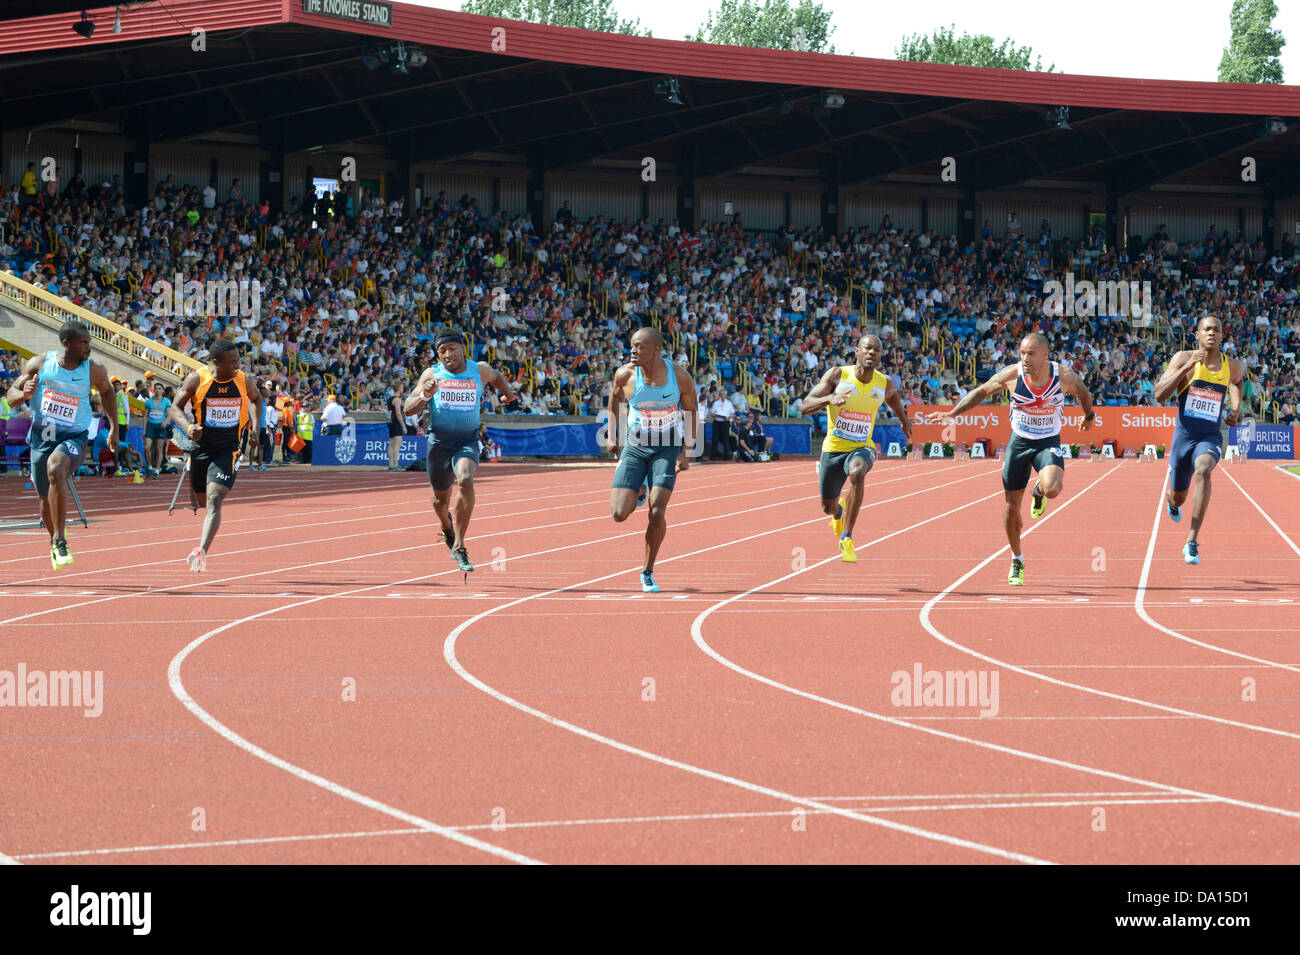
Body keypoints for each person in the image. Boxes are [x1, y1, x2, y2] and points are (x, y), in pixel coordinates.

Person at [933, 332, 1095, 586]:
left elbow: (1083, 393)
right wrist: (953, 413)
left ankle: (1038, 492)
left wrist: (1089, 416)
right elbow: (982, 391)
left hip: (1047, 441)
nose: (1025, 358)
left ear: (1045, 354)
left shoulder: (1062, 376)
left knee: (1053, 488)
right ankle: (1017, 558)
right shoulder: (1012, 375)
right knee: (1011, 509)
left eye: (1031, 353)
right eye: (1022, 353)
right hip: (1019, 442)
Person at [5, 321, 118, 569]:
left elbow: (108, 393)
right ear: (67, 343)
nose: (89, 347)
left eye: (89, 342)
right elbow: (11, 395)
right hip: (41, 438)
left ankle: (60, 539)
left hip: (73, 437)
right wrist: (24, 394)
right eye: (84, 342)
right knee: (45, 501)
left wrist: (114, 427)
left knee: (57, 468)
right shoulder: (40, 364)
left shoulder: (94, 370)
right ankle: (55, 542)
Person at [403, 330, 517, 575]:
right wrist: (424, 395)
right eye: (442, 351)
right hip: (439, 443)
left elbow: (497, 377)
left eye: (452, 348)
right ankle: (447, 527)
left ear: (463, 348)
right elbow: (408, 409)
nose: (447, 354)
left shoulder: (480, 370)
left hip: (467, 439)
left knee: (466, 478)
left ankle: (459, 543)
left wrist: (507, 393)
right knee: (440, 500)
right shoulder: (431, 374)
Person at [800, 334, 911, 563]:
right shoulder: (838, 375)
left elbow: (893, 399)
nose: (871, 353)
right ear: (857, 351)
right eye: (867, 349)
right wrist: (830, 398)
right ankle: (838, 513)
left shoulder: (884, 382)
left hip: (862, 447)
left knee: (857, 472)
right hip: (833, 449)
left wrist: (904, 420)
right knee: (827, 507)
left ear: (881, 356)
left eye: (876, 351)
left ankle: (847, 537)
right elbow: (805, 406)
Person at [607, 326, 699, 592]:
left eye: (639, 346)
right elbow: (614, 400)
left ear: (656, 350)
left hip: (666, 446)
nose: (633, 350)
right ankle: (639, 488)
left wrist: (686, 450)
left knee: (657, 509)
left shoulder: (679, 377)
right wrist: (613, 435)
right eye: (632, 345)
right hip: (636, 445)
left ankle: (647, 571)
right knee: (618, 514)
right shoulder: (625, 374)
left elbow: (692, 411)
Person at [1152, 315, 1243, 564]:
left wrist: (1236, 409)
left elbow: (1237, 381)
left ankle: (1192, 541)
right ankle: (1173, 503)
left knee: (1203, 469)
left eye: (1217, 329)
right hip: (1183, 438)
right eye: (1207, 329)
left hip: (1209, 436)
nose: (1212, 333)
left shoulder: (1231, 365)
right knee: (1177, 496)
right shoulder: (1183, 358)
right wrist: (1185, 367)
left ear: (1222, 336)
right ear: (1198, 335)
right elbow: (1159, 394)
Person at [168, 339, 263, 572]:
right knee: (202, 501)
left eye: (238, 360)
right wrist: (189, 428)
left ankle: (201, 551)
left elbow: (257, 399)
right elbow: (175, 407)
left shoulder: (243, 380)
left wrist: (255, 428)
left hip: (228, 448)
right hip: (201, 449)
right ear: (215, 362)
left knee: (214, 499)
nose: (237, 365)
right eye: (232, 362)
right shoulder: (197, 379)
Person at [143, 381, 171, 477]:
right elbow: (145, 416)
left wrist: (165, 422)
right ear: (153, 390)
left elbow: (169, 415)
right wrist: (144, 430)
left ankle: (157, 471)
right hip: (151, 426)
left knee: (159, 449)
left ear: (163, 391)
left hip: (160, 426)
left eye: (159, 388)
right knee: (147, 448)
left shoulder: (166, 401)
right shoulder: (148, 401)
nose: (157, 390)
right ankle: (150, 467)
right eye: (156, 388)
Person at [387, 389, 405, 471]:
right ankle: (396, 464)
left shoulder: (390, 398)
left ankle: (391, 465)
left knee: (391, 444)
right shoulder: (397, 399)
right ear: (399, 388)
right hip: (395, 422)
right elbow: (398, 413)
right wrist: (403, 425)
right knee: (397, 444)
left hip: (390, 421)